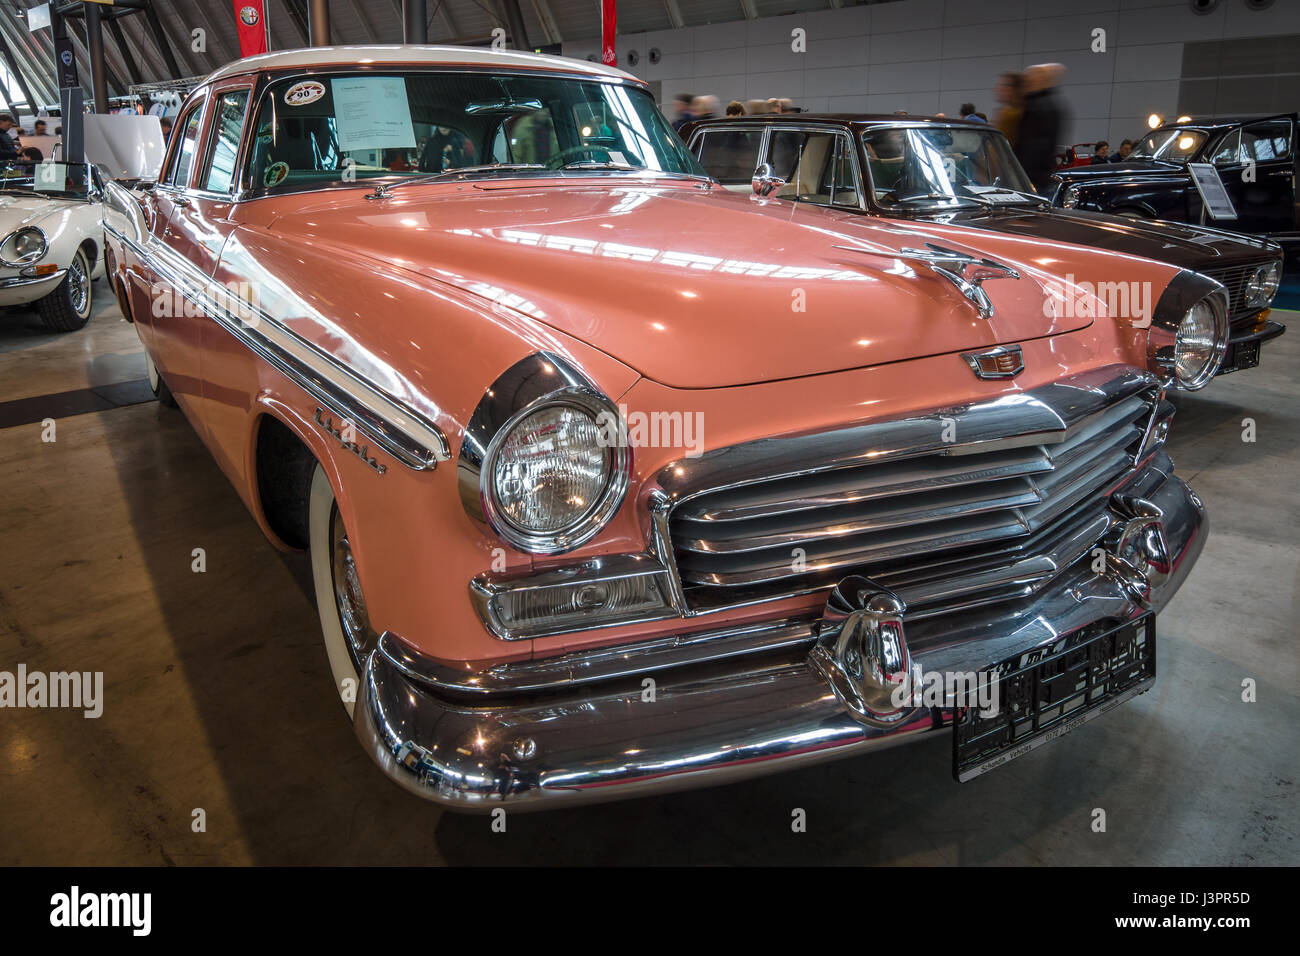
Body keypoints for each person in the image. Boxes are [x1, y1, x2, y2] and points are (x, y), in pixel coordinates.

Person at [1015, 63, 1069, 192]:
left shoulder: (1037, 106)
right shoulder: (1046, 104)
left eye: (1031, 78)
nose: (1027, 81)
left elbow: (1033, 146)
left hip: (1032, 177)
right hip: (1038, 175)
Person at [993, 71, 1024, 147]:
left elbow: (999, 146)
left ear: (1012, 89)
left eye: (1002, 86)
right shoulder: (1007, 111)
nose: (997, 89)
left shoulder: (1011, 114)